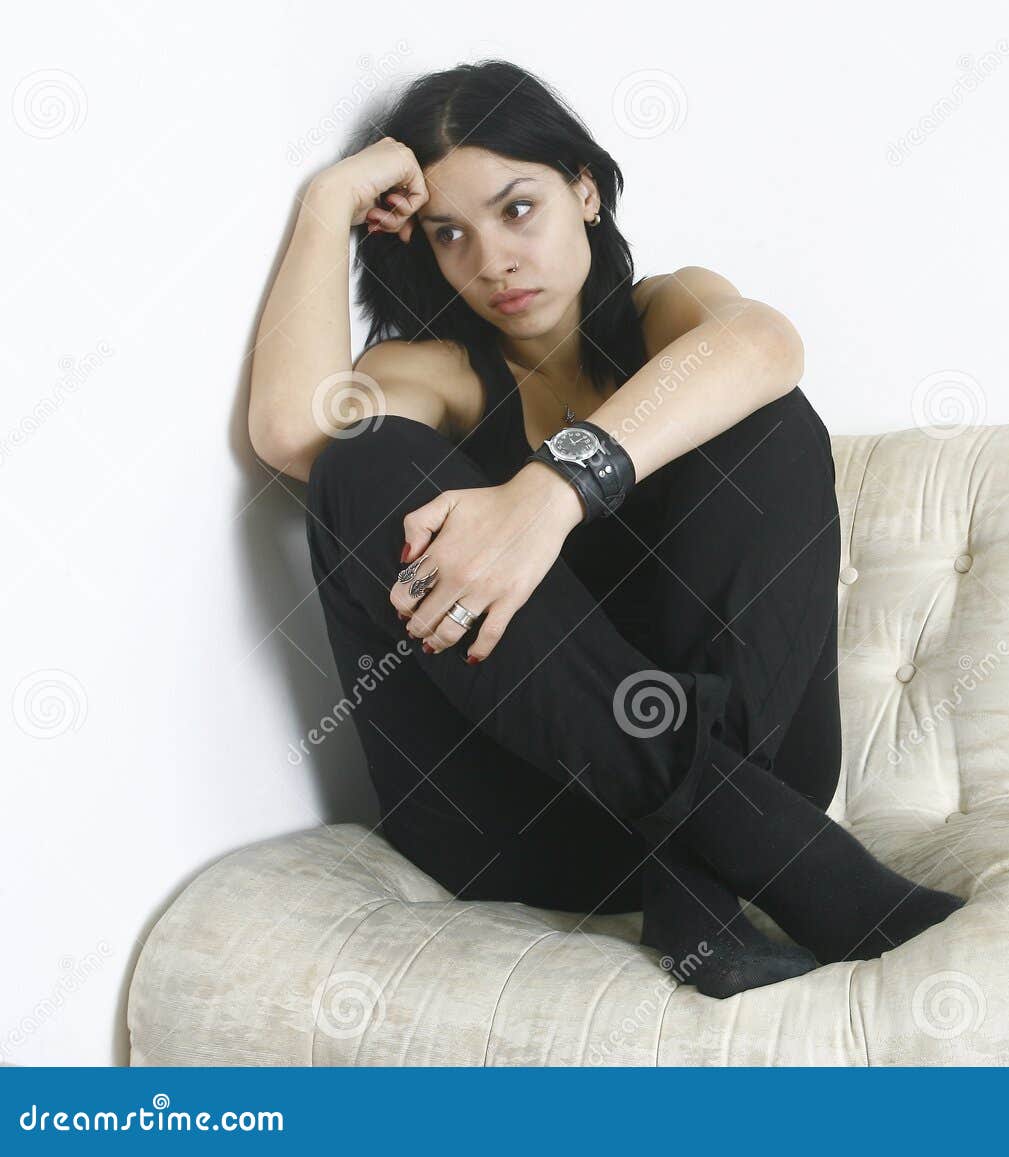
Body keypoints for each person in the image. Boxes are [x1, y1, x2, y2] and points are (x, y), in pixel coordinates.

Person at [247, 59, 963, 999]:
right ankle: (789, 864)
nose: (492, 260)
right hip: (531, 823)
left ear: (584, 190)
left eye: (517, 209)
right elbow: (296, 432)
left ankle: (697, 870)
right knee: (362, 461)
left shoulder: (667, 311)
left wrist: (548, 494)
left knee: (767, 416)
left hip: (766, 767)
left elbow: (767, 344)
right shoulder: (442, 373)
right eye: (449, 234)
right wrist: (325, 202)